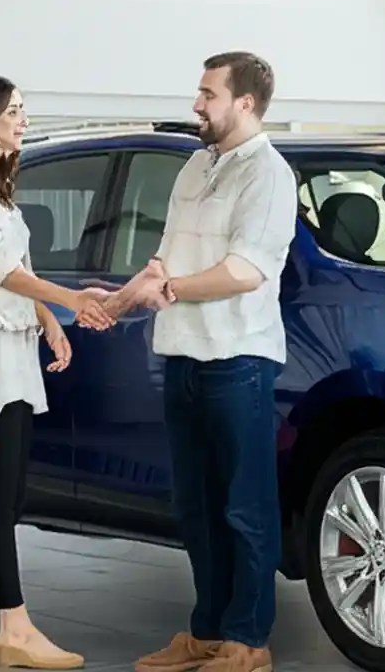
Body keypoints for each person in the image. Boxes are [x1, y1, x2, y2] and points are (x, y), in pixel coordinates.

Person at [0, 72, 115, 669]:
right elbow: (2, 270)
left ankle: (14, 628)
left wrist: (50, 321)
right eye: (14, 110)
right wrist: (72, 299)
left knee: (10, 495)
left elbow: (19, 267)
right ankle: (15, 628)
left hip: (15, 351)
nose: (23, 119)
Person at [125, 51, 296, 672]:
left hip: (238, 361)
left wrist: (169, 290)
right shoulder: (196, 166)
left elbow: (247, 270)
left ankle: (247, 642)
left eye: (208, 93)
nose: (197, 103)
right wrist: (119, 300)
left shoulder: (269, 175)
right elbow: (165, 262)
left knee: (245, 507)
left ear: (244, 103)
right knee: (195, 506)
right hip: (183, 357)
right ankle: (205, 633)